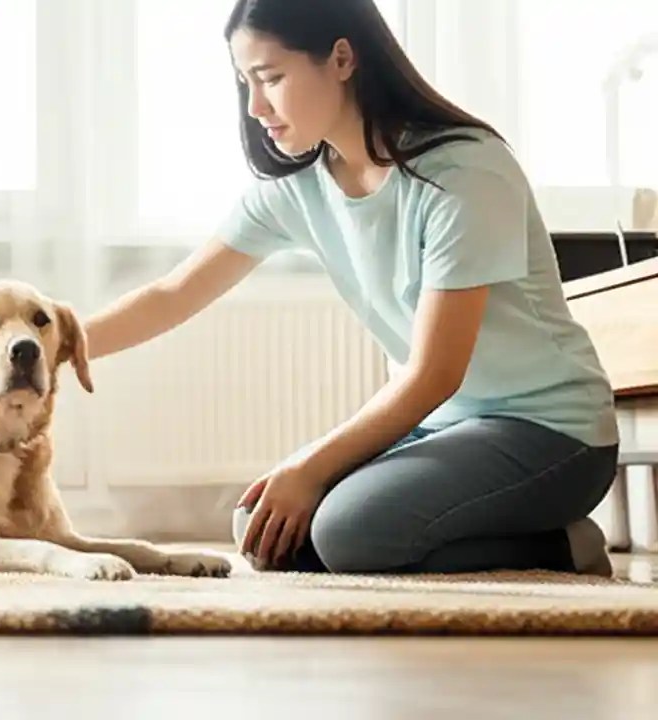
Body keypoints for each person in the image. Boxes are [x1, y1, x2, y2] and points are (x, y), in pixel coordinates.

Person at [82, 0, 620, 576]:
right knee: (262, 527)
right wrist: (50, 349)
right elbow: (172, 295)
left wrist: (310, 469)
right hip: (443, 428)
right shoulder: (300, 187)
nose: (256, 106)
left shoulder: (464, 172)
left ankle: (565, 546)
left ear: (341, 58)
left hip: (552, 434)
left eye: (271, 78)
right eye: (245, 83)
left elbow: (437, 373)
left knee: (348, 532)